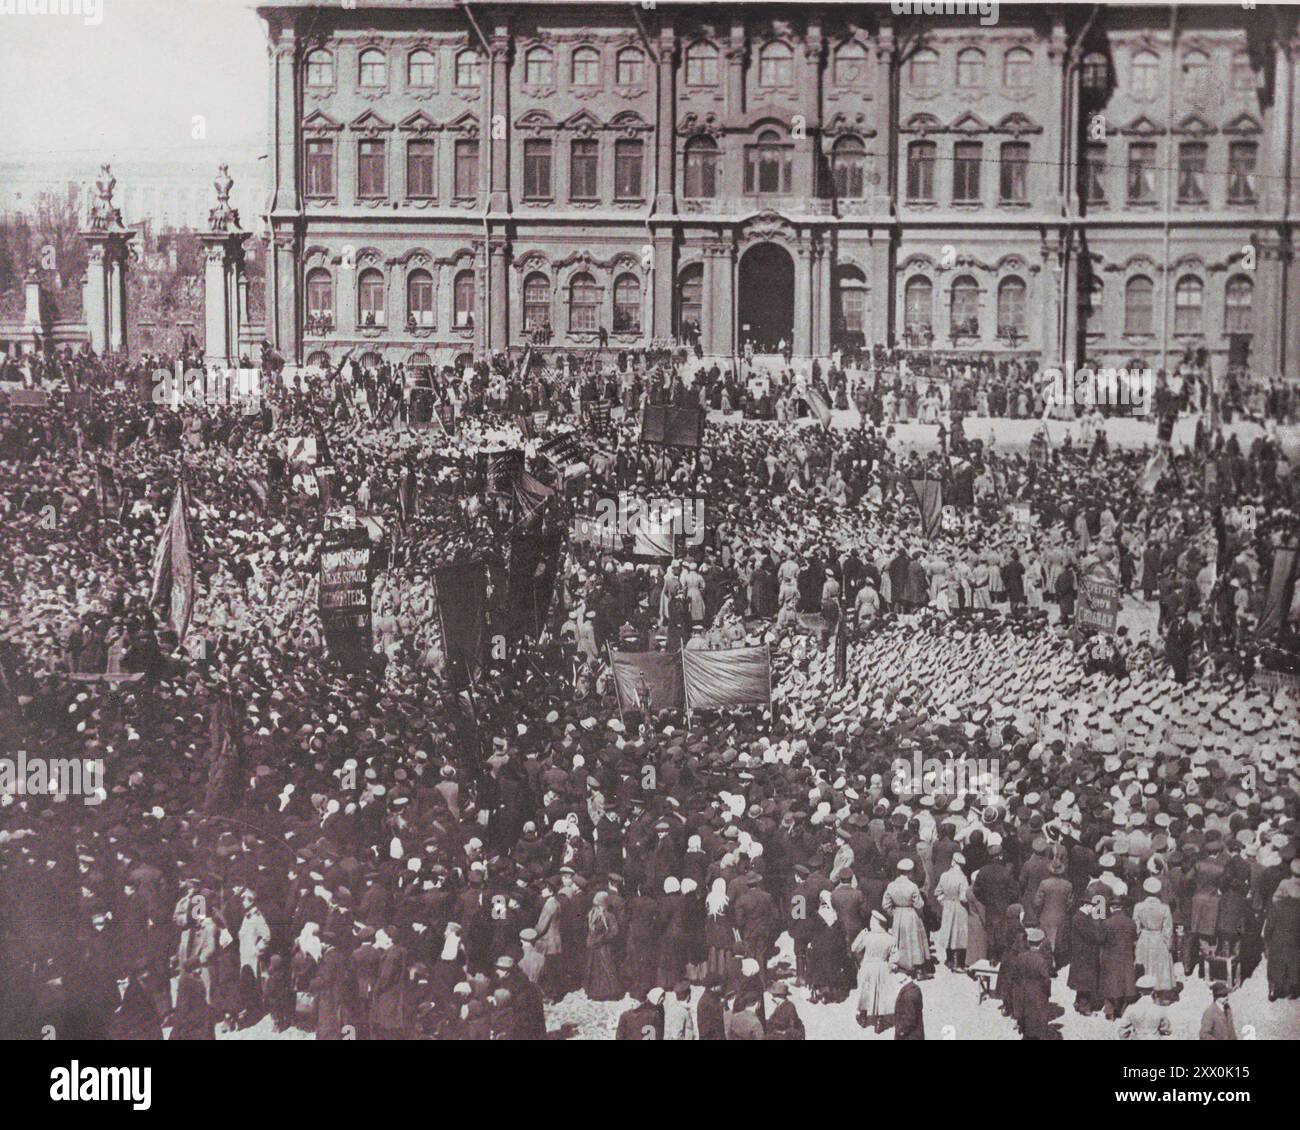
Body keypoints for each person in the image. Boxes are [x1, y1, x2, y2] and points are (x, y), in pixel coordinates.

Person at [851, 910, 899, 1032]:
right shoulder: (890, 939)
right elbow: (895, 957)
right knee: (881, 994)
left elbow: (854, 948)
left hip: (867, 967)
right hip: (883, 967)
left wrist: (861, 934)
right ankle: (879, 1021)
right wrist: (891, 965)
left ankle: (862, 1017)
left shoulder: (868, 936)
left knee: (865, 992)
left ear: (876, 923)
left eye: (872, 921)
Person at [1118, 975, 1172, 1040]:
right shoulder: (1159, 1009)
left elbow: (1122, 1030)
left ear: (1139, 992)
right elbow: (1167, 1030)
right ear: (1153, 991)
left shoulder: (1131, 1008)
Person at [894, 970, 924, 1041]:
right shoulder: (915, 988)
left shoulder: (907, 995)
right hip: (917, 1034)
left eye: (896, 972)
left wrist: (901, 1031)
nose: (895, 975)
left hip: (908, 1036)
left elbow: (910, 1018)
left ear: (904, 976)